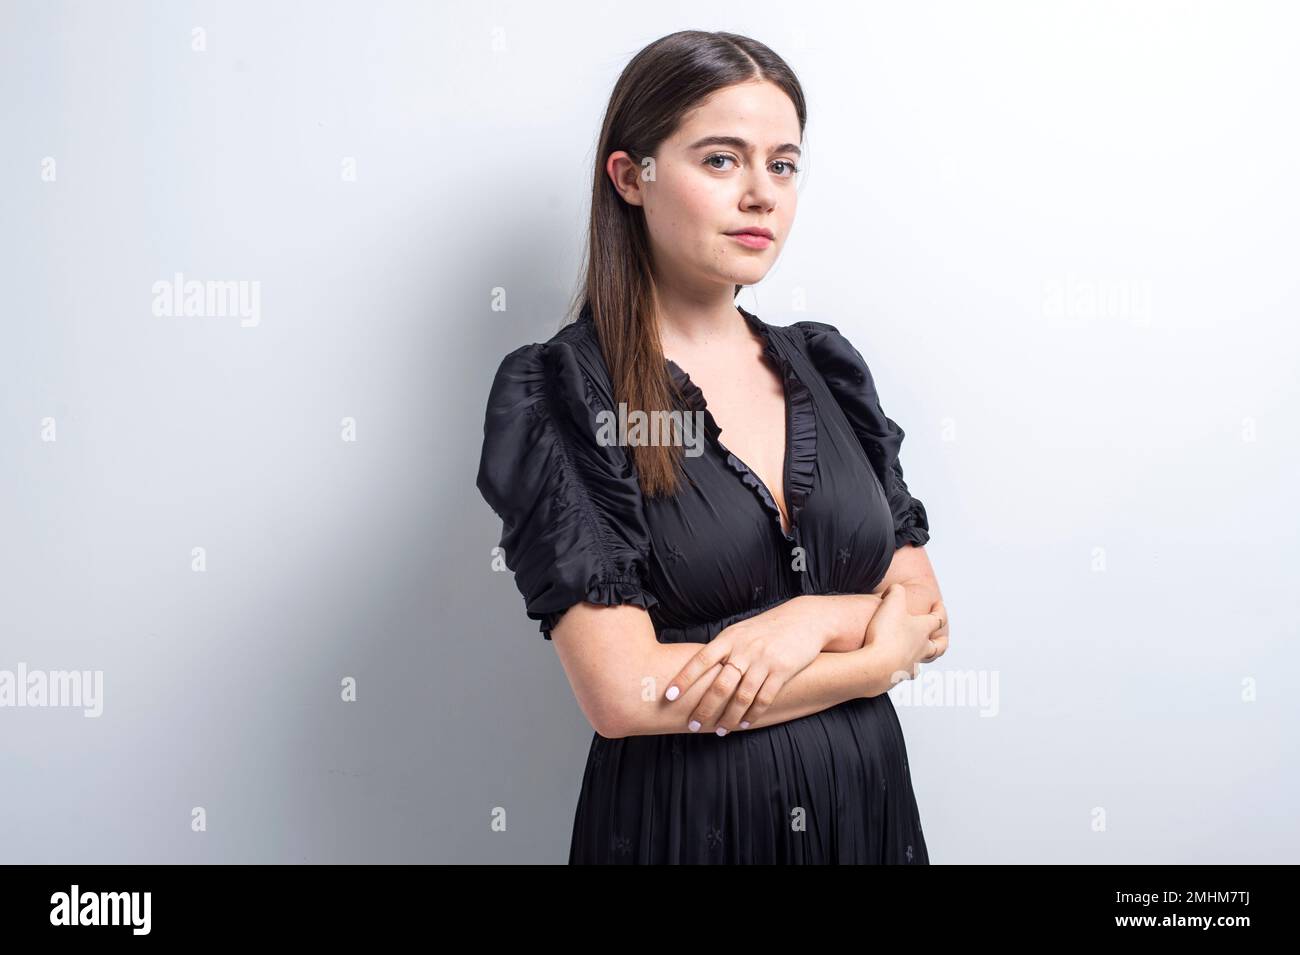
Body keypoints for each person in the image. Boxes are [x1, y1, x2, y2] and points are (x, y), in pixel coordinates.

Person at [475, 30, 949, 864]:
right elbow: (627, 694)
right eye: (723, 160)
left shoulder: (828, 368)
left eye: (784, 163)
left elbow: (927, 616)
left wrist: (810, 621)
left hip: (864, 814)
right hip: (689, 824)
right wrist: (869, 658)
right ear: (631, 177)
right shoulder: (567, 393)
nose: (762, 194)